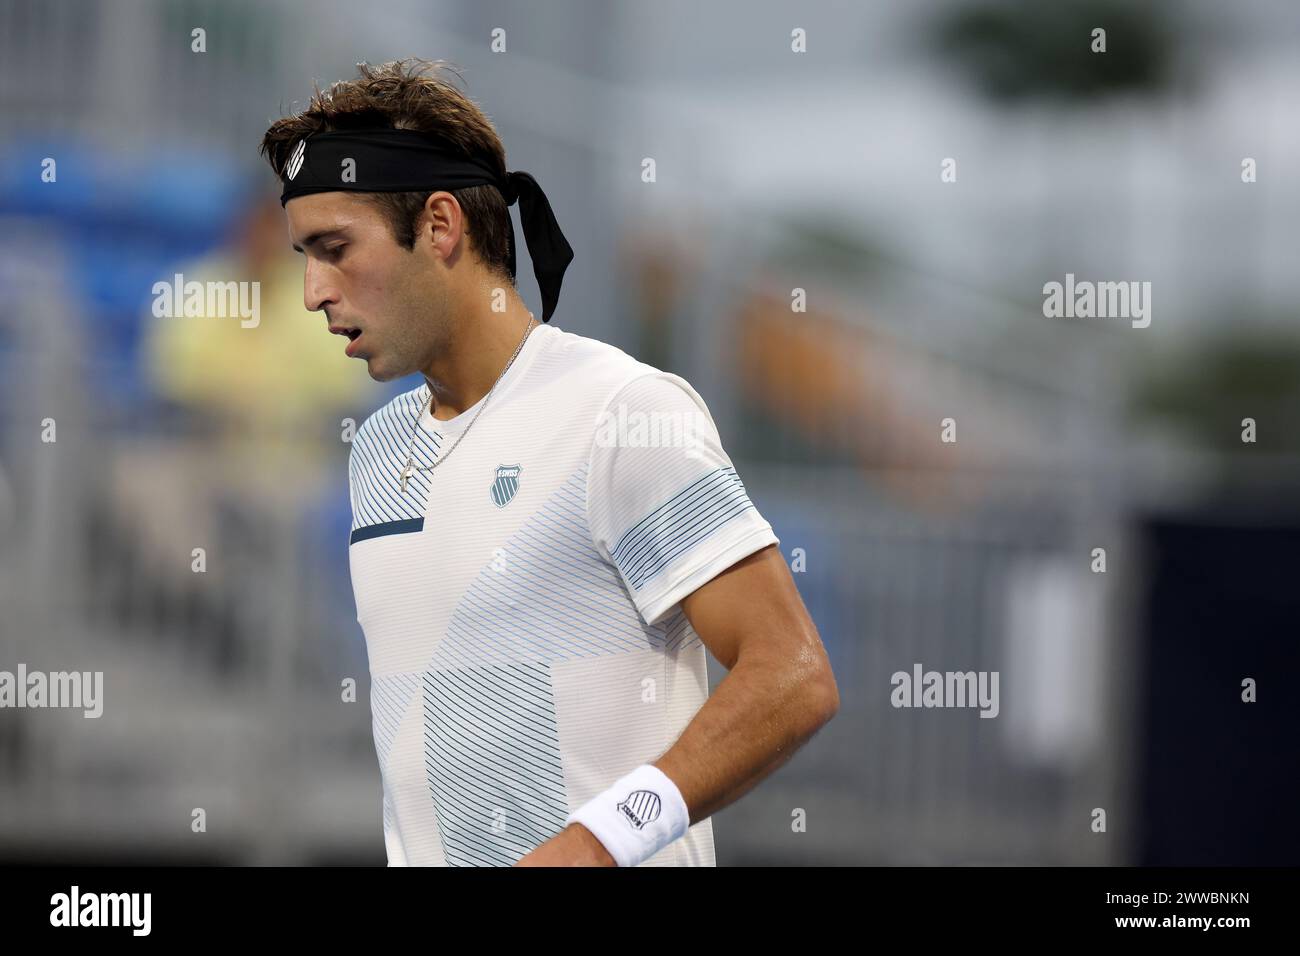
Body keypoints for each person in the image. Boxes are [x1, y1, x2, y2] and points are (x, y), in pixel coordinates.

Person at [259, 58, 838, 867]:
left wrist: (602, 842)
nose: (314, 291)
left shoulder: (625, 413)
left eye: (334, 248)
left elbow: (792, 675)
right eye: (303, 256)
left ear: (439, 225)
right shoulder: (377, 451)